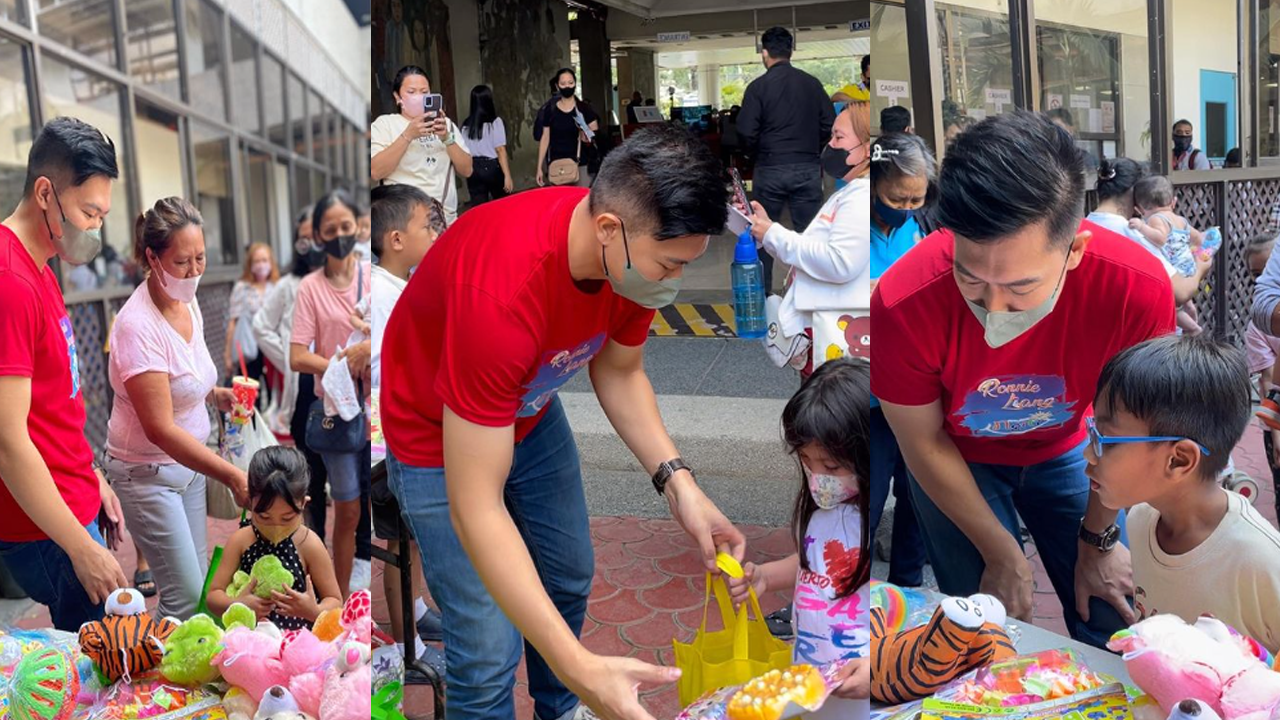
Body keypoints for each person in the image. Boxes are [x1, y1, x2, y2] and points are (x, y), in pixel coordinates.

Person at [381, 124, 745, 720]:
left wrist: (681, 485)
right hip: (435, 433)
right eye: (668, 264)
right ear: (608, 228)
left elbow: (621, 372)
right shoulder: (501, 292)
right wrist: (586, 671)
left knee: (569, 574)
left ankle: (560, 706)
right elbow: (479, 507)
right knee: (486, 647)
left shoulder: (626, 261)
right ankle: (564, 688)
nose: (673, 282)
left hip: (526, 406)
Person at [873, 111, 1176, 649]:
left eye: (1020, 287)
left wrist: (1100, 535)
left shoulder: (1135, 287)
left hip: (1073, 448)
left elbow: (1130, 424)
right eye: (970, 277)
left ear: (1074, 252)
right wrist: (1002, 553)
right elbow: (920, 441)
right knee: (986, 628)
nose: (994, 307)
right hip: (956, 457)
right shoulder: (903, 297)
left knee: (1112, 613)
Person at [0, 116, 128, 631]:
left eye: (102, 215)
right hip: (48, 530)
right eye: (87, 212)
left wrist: (91, 476)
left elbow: (54, 405)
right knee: (101, 686)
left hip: (72, 501)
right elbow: (9, 443)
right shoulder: (10, 282)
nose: (94, 227)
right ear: (46, 193)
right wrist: (81, 546)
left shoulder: (41, 262)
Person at [105, 196, 250, 620]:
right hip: (147, 473)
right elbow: (160, 429)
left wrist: (214, 392)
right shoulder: (136, 326)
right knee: (183, 596)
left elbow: (184, 373)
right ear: (152, 257)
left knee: (200, 584)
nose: (195, 270)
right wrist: (230, 474)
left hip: (190, 471)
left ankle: (190, 673)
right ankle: (151, 675)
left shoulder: (186, 302)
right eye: (183, 261)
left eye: (200, 257)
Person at [1087, 335, 1280, 654]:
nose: (1088, 455)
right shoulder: (1142, 519)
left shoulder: (1260, 561)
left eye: (1105, 440)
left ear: (1178, 460)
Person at [726, 358, 873, 716]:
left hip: (863, 686)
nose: (817, 477)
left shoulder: (878, 525)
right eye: (807, 461)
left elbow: (910, 609)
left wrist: (882, 663)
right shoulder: (822, 511)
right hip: (810, 674)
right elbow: (813, 565)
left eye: (832, 466)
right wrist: (765, 577)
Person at [368, 183, 448, 673]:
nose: (435, 232)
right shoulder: (380, 292)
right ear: (395, 239)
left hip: (402, 432)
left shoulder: (399, 284)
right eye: (427, 225)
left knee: (411, 537)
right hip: (388, 442)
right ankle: (405, 650)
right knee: (399, 543)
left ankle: (414, 612)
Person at [291, 189, 372, 599]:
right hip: (337, 413)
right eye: (330, 230)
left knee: (381, 505)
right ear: (318, 237)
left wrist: (369, 350)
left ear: (357, 227)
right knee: (348, 508)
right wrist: (340, 365)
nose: (339, 235)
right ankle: (337, 598)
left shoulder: (371, 275)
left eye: (345, 227)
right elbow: (297, 356)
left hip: (379, 408)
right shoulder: (310, 287)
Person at [748, 101, 868, 378]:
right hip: (826, 332)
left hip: (835, 339)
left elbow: (839, 262)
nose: (831, 145)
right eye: (831, 136)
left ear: (866, 147)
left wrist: (773, 233)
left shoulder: (861, 196)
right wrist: (769, 231)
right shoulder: (852, 192)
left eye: (839, 137)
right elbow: (818, 251)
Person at [866, 131, 935, 588]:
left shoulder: (922, 229)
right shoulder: (850, 226)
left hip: (918, 390)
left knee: (919, 494)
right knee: (864, 498)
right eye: (898, 197)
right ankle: (841, 584)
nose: (908, 208)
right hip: (866, 389)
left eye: (917, 199)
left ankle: (910, 588)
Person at [737, 27, 836, 294]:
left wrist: (758, 151)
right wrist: (809, 148)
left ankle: (762, 295)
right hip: (806, 168)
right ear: (790, 51)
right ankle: (813, 293)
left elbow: (745, 131)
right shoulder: (812, 84)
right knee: (812, 236)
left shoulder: (757, 87)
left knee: (761, 234)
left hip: (769, 168)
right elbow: (829, 124)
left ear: (765, 53)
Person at [253, 209, 330, 536]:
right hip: (303, 387)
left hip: (339, 382)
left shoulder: (345, 279)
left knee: (343, 471)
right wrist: (288, 357)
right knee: (311, 468)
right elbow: (261, 326)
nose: (310, 243)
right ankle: (315, 538)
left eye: (316, 235)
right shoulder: (287, 285)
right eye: (303, 237)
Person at [206, 446, 342, 630]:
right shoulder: (241, 540)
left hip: (295, 647)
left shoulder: (310, 544)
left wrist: (313, 611)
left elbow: (335, 600)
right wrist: (238, 604)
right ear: (250, 501)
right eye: (264, 517)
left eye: (287, 518)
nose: (276, 526)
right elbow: (213, 597)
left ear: (303, 503)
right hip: (249, 645)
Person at [1087, 159, 1210, 330]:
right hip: (1140, 336)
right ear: (1133, 192)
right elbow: (1180, 292)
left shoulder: (1083, 227)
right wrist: (1201, 267)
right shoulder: (1133, 232)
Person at [371, 65, 473, 226]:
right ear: (397, 97)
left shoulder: (445, 125)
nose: (418, 96)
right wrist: (408, 135)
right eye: (411, 92)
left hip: (444, 221)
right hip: (403, 223)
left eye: (424, 92)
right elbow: (376, 172)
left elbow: (467, 170)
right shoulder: (385, 124)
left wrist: (446, 138)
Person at [1128, 175, 1211, 335]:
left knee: (1172, 305)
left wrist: (1141, 227)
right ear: (1174, 202)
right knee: (1187, 304)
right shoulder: (1181, 220)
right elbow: (1199, 238)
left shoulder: (1155, 219)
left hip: (1175, 269)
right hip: (1188, 267)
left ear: (1139, 209)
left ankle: (1193, 329)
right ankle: (1193, 319)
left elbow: (1160, 239)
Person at [1245, 233, 1280, 525]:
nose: (1260, 280)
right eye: (1257, 274)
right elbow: (1269, 382)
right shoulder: (1260, 327)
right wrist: (1276, 432)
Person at [224, 242, 278, 400]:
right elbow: (233, 321)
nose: (261, 265)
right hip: (248, 348)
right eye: (257, 261)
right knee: (250, 395)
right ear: (250, 264)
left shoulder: (277, 287)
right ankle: (251, 423)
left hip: (271, 347)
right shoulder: (242, 288)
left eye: (265, 260)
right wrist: (228, 355)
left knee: (273, 391)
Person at [536, 68, 600, 189]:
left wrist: (586, 134)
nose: (567, 87)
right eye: (563, 84)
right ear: (557, 86)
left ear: (575, 83)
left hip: (580, 164)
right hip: (556, 164)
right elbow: (545, 138)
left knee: (581, 202)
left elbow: (594, 133)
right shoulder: (550, 110)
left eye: (570, 83)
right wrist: (539, 167)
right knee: (560, 203)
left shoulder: (583, 108)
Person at [461, 85, 513, 206]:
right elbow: (500, 150)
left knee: (479, 208)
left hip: (473, 168)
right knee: (502, 205)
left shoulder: (466, 125)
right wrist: (507, 176)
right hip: (492, 167)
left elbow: (464, 150)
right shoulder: (495, 122)